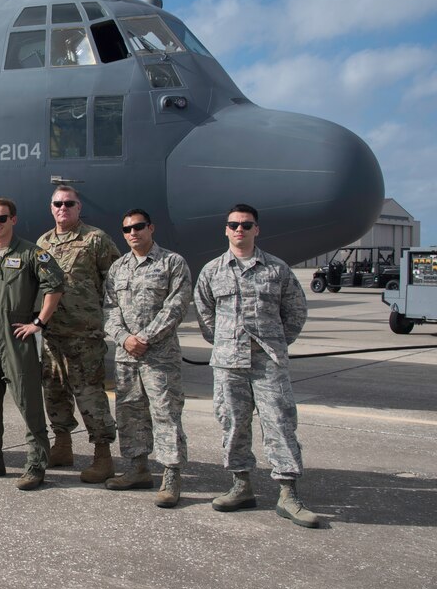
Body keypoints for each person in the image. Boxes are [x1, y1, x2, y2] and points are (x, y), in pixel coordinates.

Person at [194, 204, 318, 528]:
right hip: (227, 363)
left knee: (280, 423)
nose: (239, 230)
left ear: (256, 229)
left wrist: (276, 342)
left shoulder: (276, 270)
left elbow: (296, 311)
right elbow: (204, 313)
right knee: (232, 424)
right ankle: (241, 486)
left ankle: (288, 494)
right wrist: (222, 342)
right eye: (234, 224)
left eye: (246, 225)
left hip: (268, 363)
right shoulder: (212, 271)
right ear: (226, 229)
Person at [0, 198, 63, 490]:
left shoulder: (33, 253)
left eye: (2, 218)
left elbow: (54, 286)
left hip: (17, 334)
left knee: (28, 403)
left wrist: (39, 323)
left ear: (13, 220)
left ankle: (35, 466)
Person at [102, 209, 192, 507]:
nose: (132, 233)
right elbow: (109, 309)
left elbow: (176, 306)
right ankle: (137, 468)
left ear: (151, 228)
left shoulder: (172, 263)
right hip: (126, 356)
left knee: (165, 413)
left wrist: (145, 338)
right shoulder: (118, 268)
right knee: (129, 413)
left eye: (139, 227)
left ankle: (171, 475)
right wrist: (124, 338)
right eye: (127, 229)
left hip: (159, 356)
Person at [36, 185, 121, 483]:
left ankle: (103, 456)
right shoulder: (43, 242)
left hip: (84, 335)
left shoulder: (95, 240)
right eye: (58, 203)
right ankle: (63, 446)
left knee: (90, 395)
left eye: (69, 203)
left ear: (79, 207)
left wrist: (110, 322)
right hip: (52, 334)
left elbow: (116, 282)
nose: (63, 208)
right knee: (54, 392)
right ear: (51, 208)